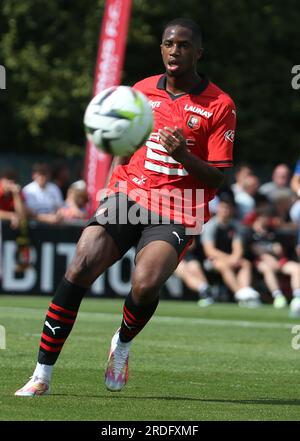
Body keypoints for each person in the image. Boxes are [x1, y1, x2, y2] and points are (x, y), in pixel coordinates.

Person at [15, 17, 236, 396]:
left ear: (198, 52)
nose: (174, 50)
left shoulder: (220, 105)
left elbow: (218, 178)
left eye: (183, 45)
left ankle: (123, 344)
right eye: (169, 43)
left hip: (179, 206)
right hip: (129, 195)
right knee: (82, 262)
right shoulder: (139, 91)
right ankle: (41, 375)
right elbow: (124, 143)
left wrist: (182, 153)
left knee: (146, 283)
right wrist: (109, 187)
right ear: (161, 48)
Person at [201, 196, 260, 305]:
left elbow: (238, 247)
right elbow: (210, 250)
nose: (225, 211)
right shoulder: (210, 226)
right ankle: (240, 295)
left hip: (232, 258)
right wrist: (229, 259)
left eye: (228, 208)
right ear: (218, 209)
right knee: (224, 265)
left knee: (245, 264)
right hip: (213, 261)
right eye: (223, 208)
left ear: (232, 210)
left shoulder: (236, 226)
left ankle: (245, 290)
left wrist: (235, 258)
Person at [242, 207, 300, 313]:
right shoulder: (250, 232)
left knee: (296, 268)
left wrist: (276, 253)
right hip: (260, 262)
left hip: (278, 261)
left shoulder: (272, 232)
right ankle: (278, 296)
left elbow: (280, 249)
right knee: (267, 268)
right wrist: (269, 253)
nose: (267, 220)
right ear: (258, 218)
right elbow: (255, 250)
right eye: (264, 217)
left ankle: (297, 297)